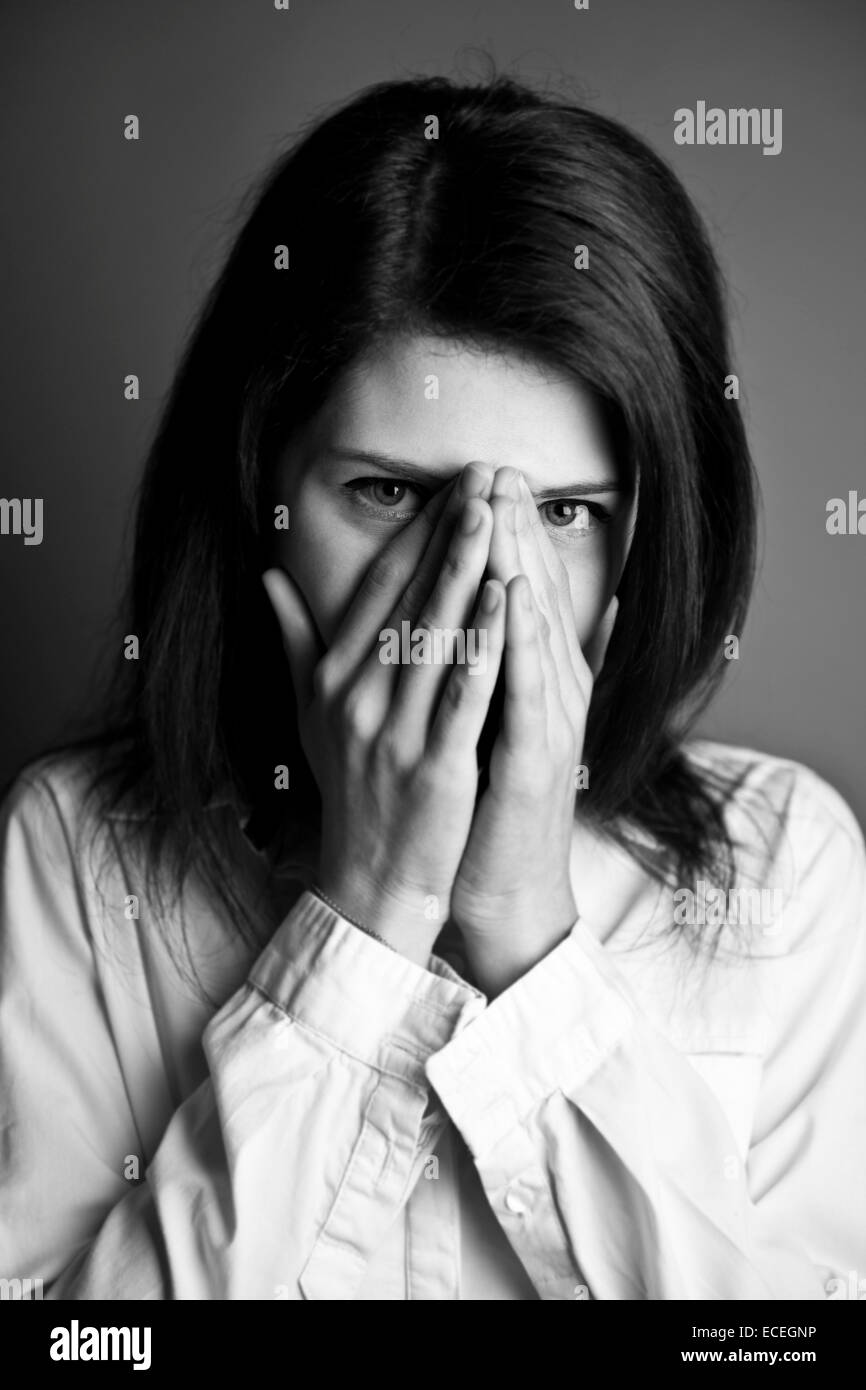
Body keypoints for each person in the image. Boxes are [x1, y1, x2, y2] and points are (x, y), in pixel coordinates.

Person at [1, 73, 863, 1301]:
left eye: (560, 512)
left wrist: (527, 934)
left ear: (645, 538)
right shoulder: (81, 859)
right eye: (390, 495)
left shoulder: (783, 872)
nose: (469, 596)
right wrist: (362, 924)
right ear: (260, 497)